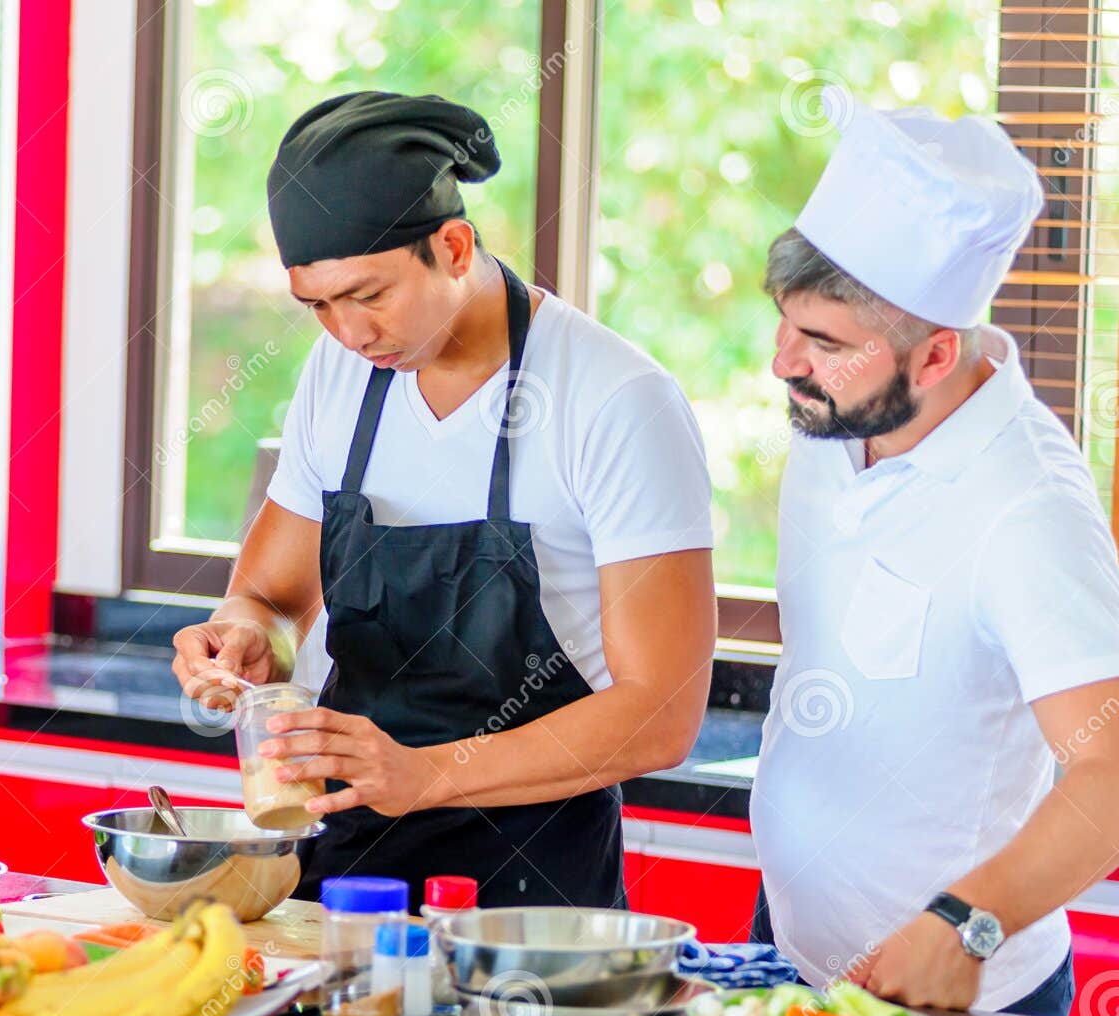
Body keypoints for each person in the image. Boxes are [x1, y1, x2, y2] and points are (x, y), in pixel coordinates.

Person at [172, 91, 716, 907]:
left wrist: (424, 774)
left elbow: (661, 713)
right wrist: (245, 641)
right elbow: (270, 598)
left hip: (530, 892)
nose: (349, 333)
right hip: (343, 865)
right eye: (317, 305)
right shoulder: (340, 376)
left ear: (455, 246)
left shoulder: (614, 398)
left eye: (369, 295)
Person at [752, 100, 1119, 1016]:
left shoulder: (1027, 505)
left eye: (821, 342)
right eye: (786, 322)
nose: (784, 362)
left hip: (951, 997)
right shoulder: (836, 418)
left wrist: (964, 924)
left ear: (936, 354)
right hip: (784, 947)